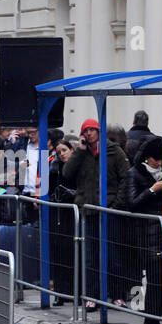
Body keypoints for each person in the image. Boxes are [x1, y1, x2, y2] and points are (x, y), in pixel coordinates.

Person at [62, 118, 131, 309]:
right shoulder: (81, 153)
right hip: (89, 211)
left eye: (93, 130)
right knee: (91, 257)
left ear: (99, 131)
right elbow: (67, 173)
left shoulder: (114, 151)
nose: (90, 133)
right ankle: (92, 296)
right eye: (87, 130)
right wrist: (79, 152)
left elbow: (125, 177)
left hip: (109, 210)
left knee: (113, 256)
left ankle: (118, 295)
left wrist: (116, 203)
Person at [126, 136, 162, 324]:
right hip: (146, 233)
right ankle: (151, 321)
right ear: (147, 157)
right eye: (155, 159)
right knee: (155, 279)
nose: (159, 163)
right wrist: (152, 190)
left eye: (161, 159)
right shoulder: (134, 173)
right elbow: (132, 202)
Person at [47, 133, 78, 306]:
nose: (62, 154)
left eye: (64, 150)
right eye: (59, 152)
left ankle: (73, 291)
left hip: (71, 216)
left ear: (72, 150)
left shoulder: (76, 168)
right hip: (58, 216)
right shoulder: (55, 168)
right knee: (58, 255)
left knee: (72, 254)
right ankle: (60, 292)